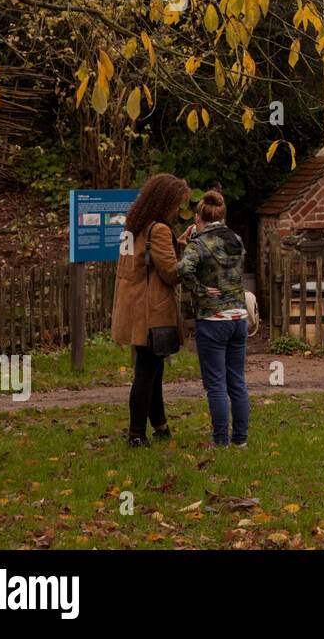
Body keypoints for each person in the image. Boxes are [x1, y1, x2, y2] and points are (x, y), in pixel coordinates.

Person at [111, 173, 190, 448]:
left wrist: (175, 246)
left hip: (133, 309)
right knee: (146, 373)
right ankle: (136, 434)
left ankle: (160, 425)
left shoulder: (134, 226)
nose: (178, 210)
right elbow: (171, 273)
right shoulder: (159, 229)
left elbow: (141, 264)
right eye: (178, 204)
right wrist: (190, 256)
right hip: (152, 313)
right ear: (165, 201)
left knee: (153, 370)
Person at [177, 189, 250, 447]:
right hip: (239, 317)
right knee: (237, 382)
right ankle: (240, 440)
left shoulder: (199, 244)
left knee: (216, 385)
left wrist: (200, 289)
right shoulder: (237, 240)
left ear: (199, 216)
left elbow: (184, 268)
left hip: (213, 319)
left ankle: (221, 441)